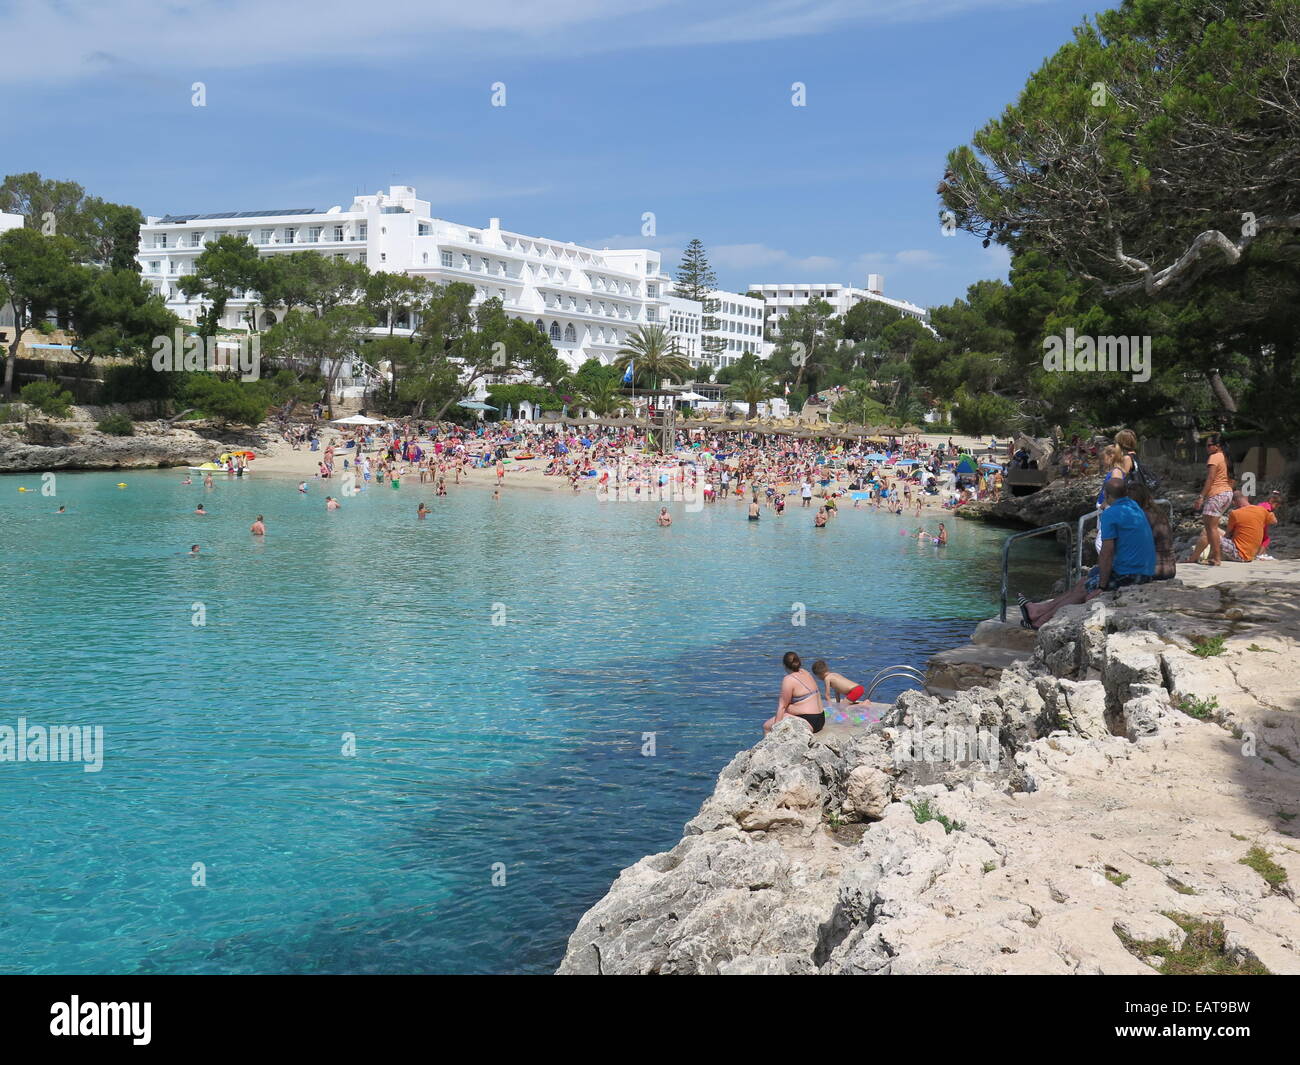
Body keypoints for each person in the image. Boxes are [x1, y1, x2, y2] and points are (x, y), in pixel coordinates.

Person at [1020, 479, 1155, 628]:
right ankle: (1039, 610)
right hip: (1143, 571)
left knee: (1086, 588)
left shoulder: (1112, 514)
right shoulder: (1134, 507)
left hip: (1131, 575)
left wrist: (1101, 587)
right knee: (1084, 581)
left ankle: (1040, 621)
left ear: (1106, 494)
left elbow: (1107, 552)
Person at [1188, 435, 1234, 565]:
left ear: (1217, 446)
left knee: (1211, 527)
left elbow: (1210, 478)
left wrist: (1201, 497)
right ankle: (1213, 556)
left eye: (1209, 445)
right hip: (1226, 493)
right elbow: (1232, 478)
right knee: (1211, 527)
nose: (1207, 448)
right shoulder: (1226, 457)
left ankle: (1216, 557)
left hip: (1216, 494)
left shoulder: (1214, 457)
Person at [763, 651, 825, 735]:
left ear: (784, 665)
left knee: (767, 726)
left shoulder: (788, 679)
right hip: (821, 719)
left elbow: (782, 706)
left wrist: (776, 729)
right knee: (788, 709)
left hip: (809, 722)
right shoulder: (805, 672)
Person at [1220, 491, 1276, 562]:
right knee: (1216, 532)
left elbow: (1227, 534)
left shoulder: (1235, 513)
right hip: (1250, 555)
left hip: (1239, 554)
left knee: (1210, 533)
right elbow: (1274, 521)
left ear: (1233, 502)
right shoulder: (1261, 510)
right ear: (1246, 498)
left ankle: (1213, 557)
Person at [1257, 490, 1282, 560]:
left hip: (1257, 522)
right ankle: (1259, 555)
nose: (1276, 508)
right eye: (1276, 506)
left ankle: (1264, 554)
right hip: (1261, 524)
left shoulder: (1261, 504)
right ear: (1272, 502)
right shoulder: (1268, 508)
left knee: (1263, 538)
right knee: (1266, 540)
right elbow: (1269, 514)